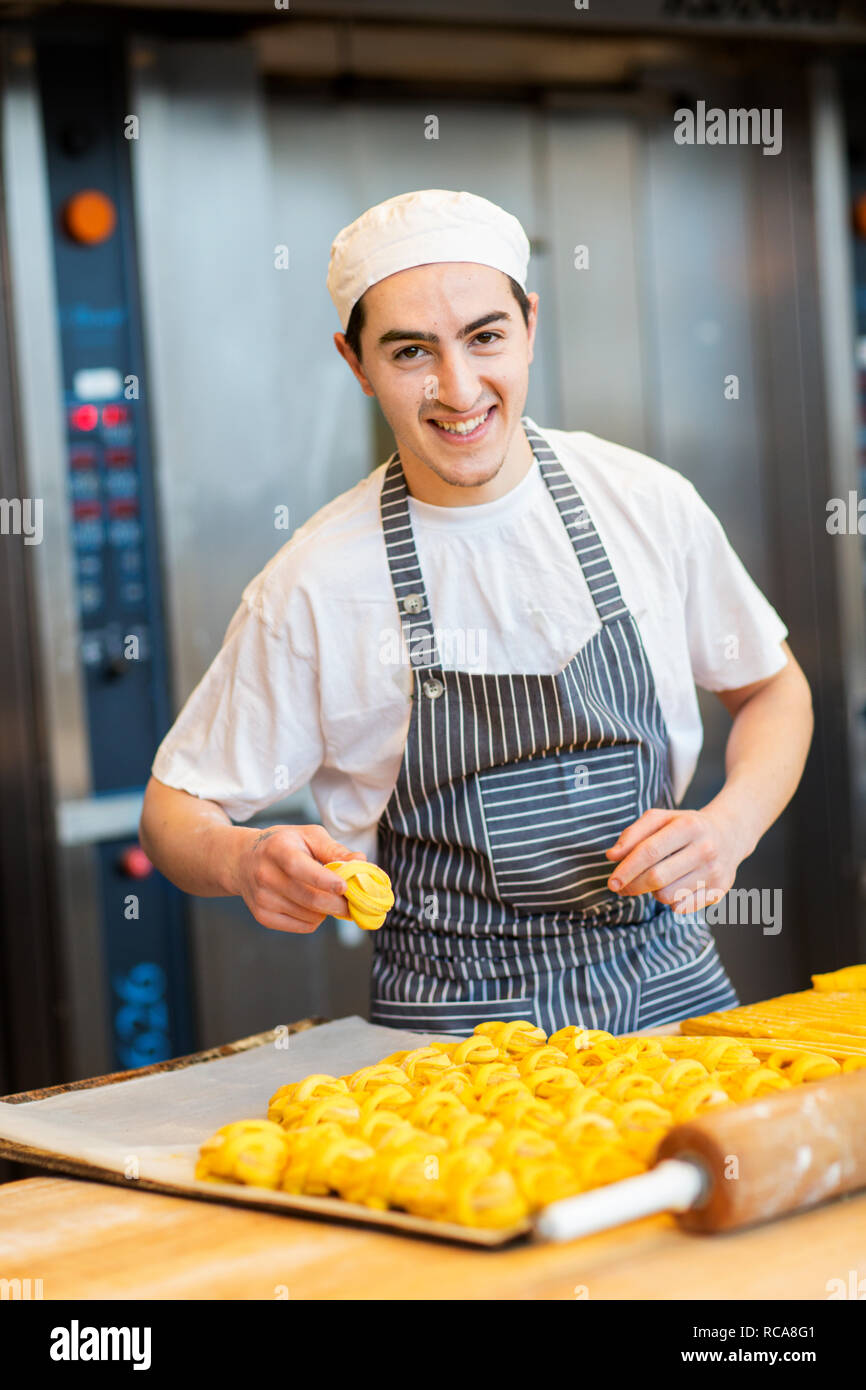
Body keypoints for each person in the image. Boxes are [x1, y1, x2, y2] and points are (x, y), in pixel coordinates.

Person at [140, 188, 813, 1035]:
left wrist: (732, 824)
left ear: (530, 324)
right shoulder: (312, 583)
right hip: (455, 1040)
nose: (459, 390)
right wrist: (241, 859)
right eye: (411, 351)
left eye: (486, 337)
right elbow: (172, 814)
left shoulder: (646, 502)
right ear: (355, 362)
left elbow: (772, 691)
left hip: (673, 1000)